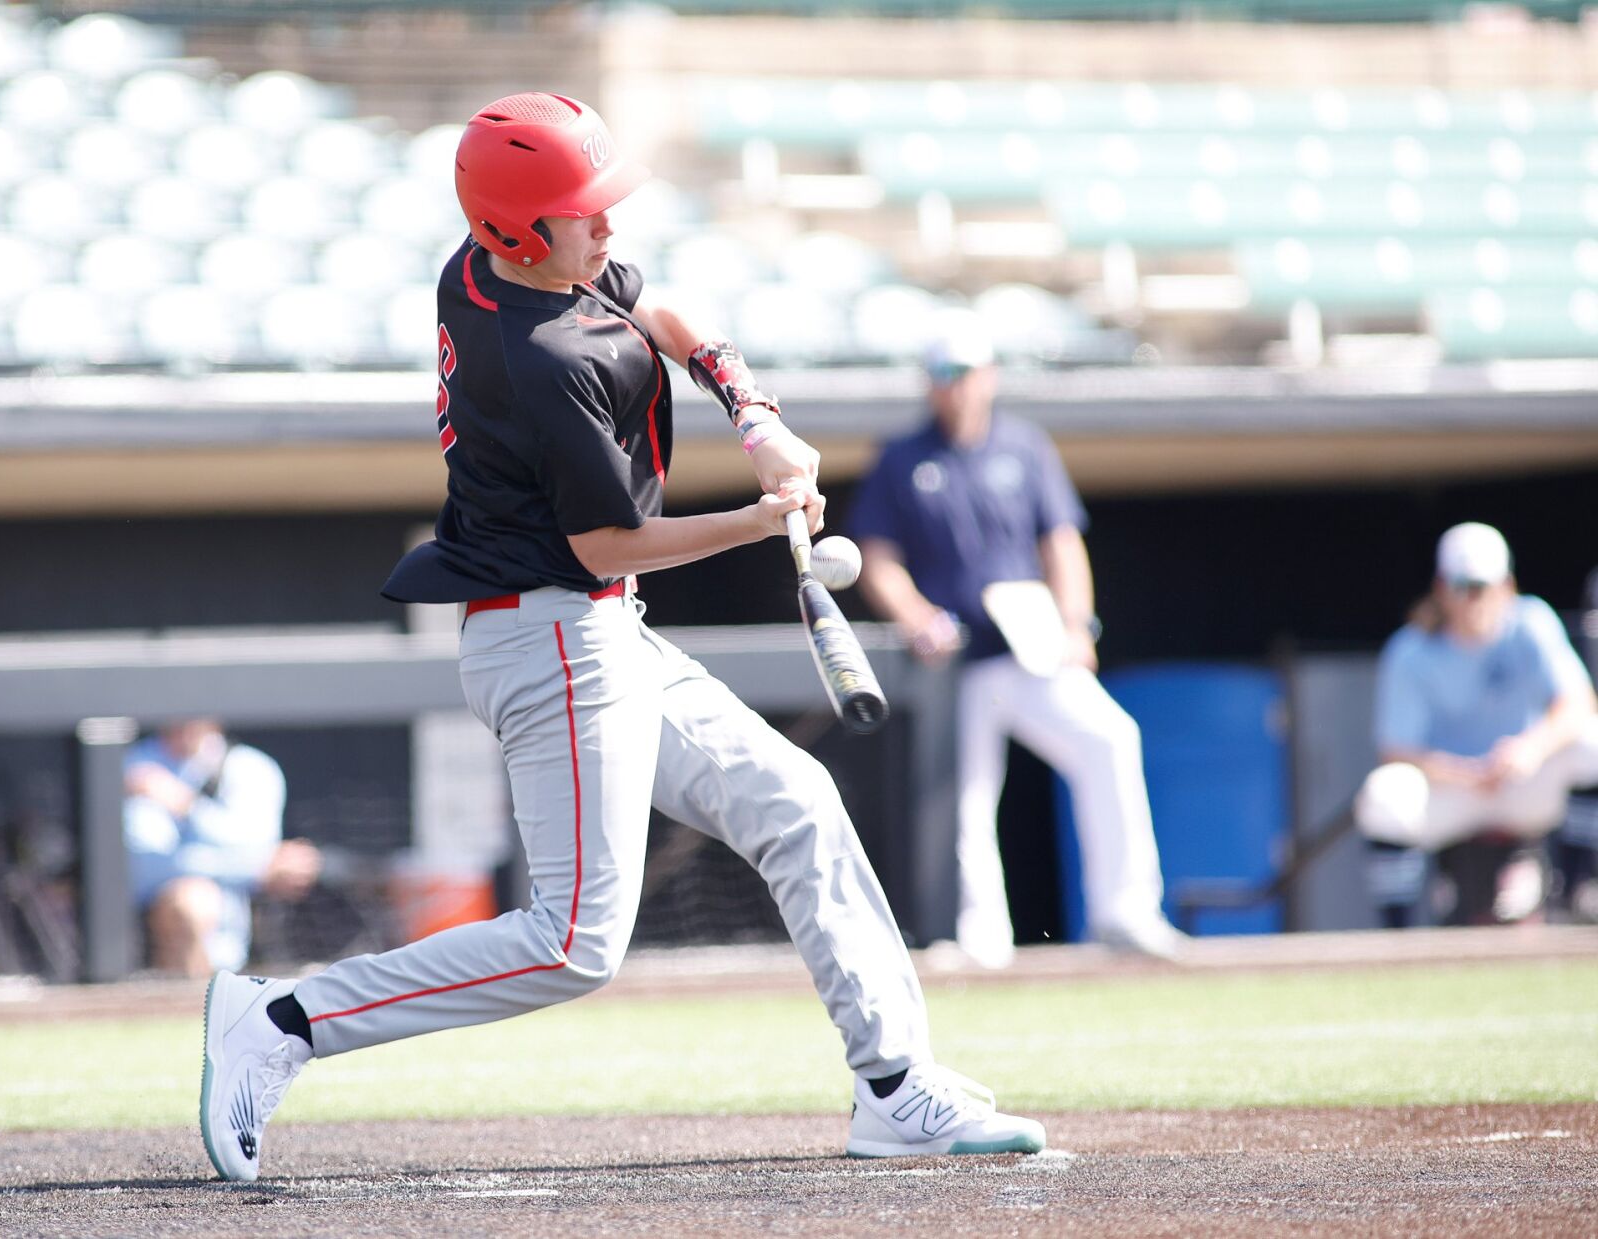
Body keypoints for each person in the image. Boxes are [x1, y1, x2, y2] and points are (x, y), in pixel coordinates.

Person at [198, 93, 1044, 1183]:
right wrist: (761, 517)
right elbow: (606, 545)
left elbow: (670, 318)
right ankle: (282, 1021)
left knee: (797, 804)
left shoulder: (507, 258)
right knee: (573, 944)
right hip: (553, 634)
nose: (604, 226)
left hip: (592, 633)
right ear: (517, 229)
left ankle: (895, 1088)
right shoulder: (540, 357)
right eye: (577, 211)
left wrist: (754, 416)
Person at [847, 312, 1182, 968]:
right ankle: (979, 937)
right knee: (964, 796)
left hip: (1029, 647)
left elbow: (1060, 541)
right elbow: (877, 554)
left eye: (965, 372)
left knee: (1111, 738)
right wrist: (914, 615)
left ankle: (1127, 912)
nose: (955, 386)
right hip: (953, 661)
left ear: (990, 376)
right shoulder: (901, 457)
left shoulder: (1025, 447)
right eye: (941, 374)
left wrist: (1077, 623)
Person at [1355, 522, 1598, 927]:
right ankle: (1396, 938)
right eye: (1462, 587)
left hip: (1522, 782)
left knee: (1593, 743)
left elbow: (1580, 703)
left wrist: (1531, 747)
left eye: (1483, 587)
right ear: (1441, 589)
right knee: (1385, 794)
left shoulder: (1531, 622)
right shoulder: (1411, 649)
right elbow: (1395, 749)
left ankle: (1577, 892)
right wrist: (1464, 773)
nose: (1474, 600)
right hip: (1453, 790)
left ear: (1507, 585)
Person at [124, 719, 320, 977]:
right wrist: (255, 871)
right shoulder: (135, 766)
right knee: (193, 899)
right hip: (144, 926)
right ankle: (188, 1007)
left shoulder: (250, 767)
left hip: (243, 928)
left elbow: (258, 850)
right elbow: (140, 869)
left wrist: (188, 806)